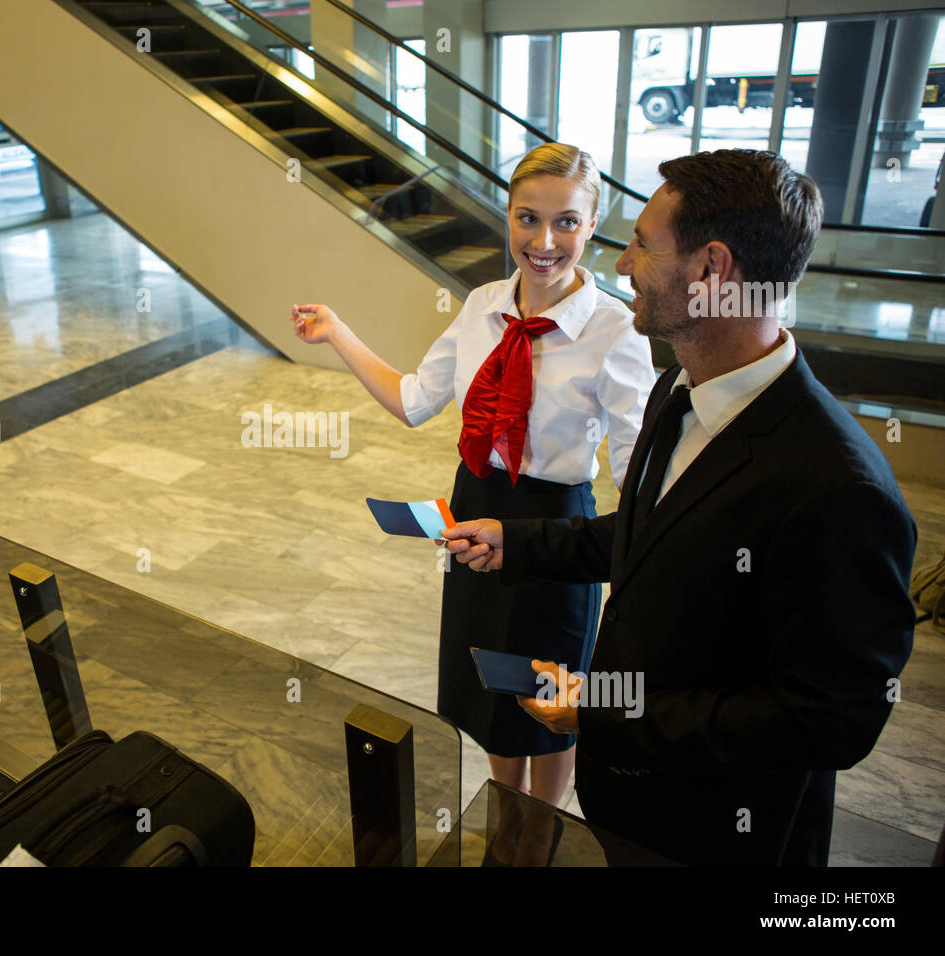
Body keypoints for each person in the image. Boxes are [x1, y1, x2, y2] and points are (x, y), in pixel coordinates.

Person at [443, 149, 918, 866]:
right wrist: (521, 543)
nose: (623, 264)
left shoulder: (839, 486)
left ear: (710, 270)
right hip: (629, 812)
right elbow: (649, 535)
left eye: (640, 243)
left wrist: (608, 710)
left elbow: (831, 719)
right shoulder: (682, 389)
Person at [293, 143, 655, 865]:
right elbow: (414, 400)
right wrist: (338, 333)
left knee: (548, 696)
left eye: (567, 223)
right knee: (489, 682)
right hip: (476, 503)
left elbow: (636, 466)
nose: (544, 242)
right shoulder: (482, 305)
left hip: (557, 523)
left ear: (592, 228)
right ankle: (502, 818)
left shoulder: (615, 329)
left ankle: (538, 831)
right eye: (528, 218)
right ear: (509, 216)